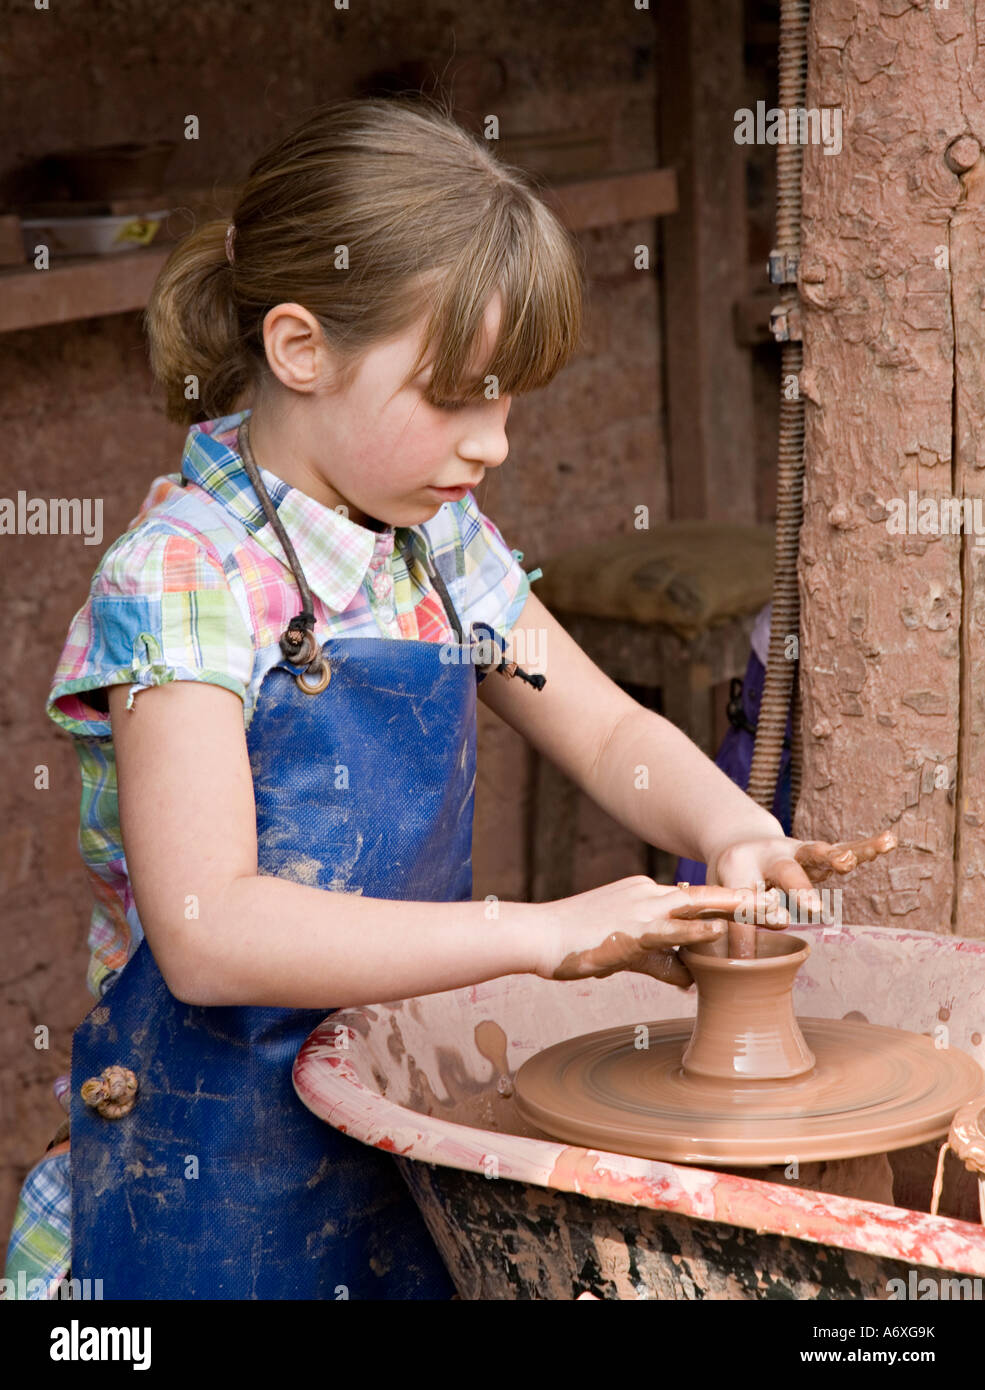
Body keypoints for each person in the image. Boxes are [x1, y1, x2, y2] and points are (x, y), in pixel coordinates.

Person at [5, 98, 866, 1301]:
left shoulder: (436, 543)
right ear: (301, 349)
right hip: (203, 1160)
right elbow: (210, 934)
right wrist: (544, 933)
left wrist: (726, 825)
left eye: (510, 403)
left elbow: (607, 726)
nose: (495, 444)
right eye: (458, 397)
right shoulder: (185, 572)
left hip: (391, 1096)